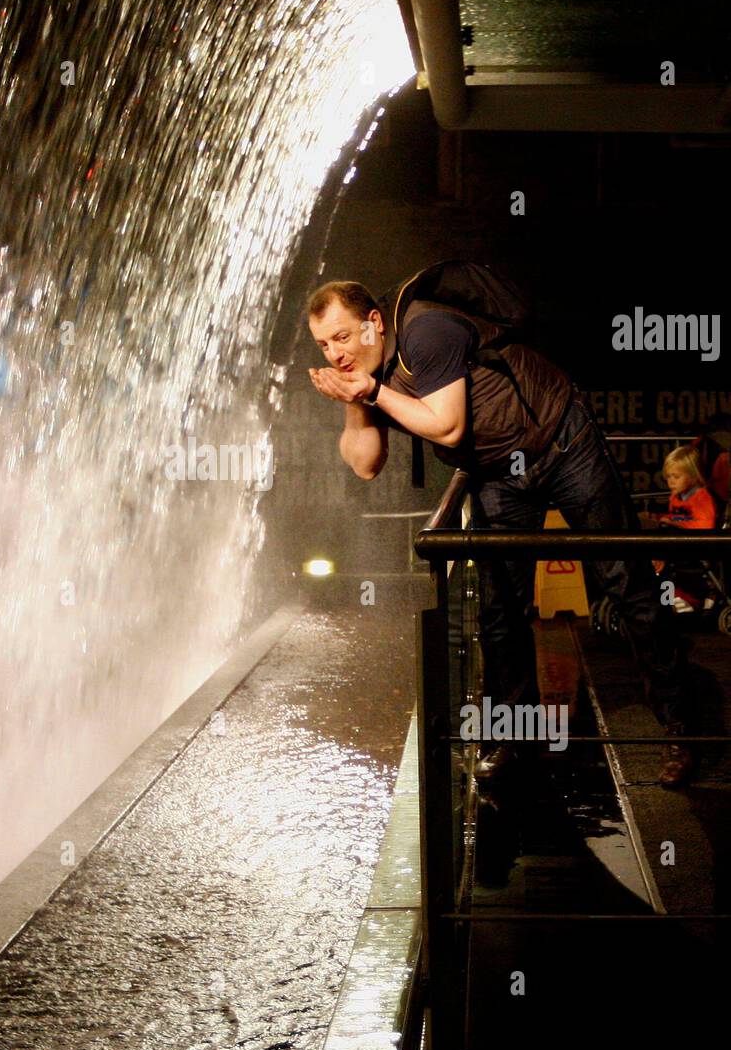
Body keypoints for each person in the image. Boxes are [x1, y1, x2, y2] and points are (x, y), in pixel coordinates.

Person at [306, 268, 695, 788]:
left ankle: (682, 729)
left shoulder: (426, 331)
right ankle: (518, 741)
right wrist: (357, 400)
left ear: (374, 322)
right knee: (499, 607)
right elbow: (366, 464)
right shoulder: (366, 377)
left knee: (624, 580)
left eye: (343, 336)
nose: (335, 353)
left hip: (560, 440)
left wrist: (372, 391)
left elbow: (447, 425)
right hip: (496, 471)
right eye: (324, 344)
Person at [650, 445, 719, 612]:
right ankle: (666, 595)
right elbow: (680, 518)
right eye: (668, 477)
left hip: (698, 546)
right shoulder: (675, 497)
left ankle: (687, 597)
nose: (670, 481)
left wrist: (676, 523)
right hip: (679, 544)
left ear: (693, 476)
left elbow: (705, 525)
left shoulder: (701, 497)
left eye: (676, 476)